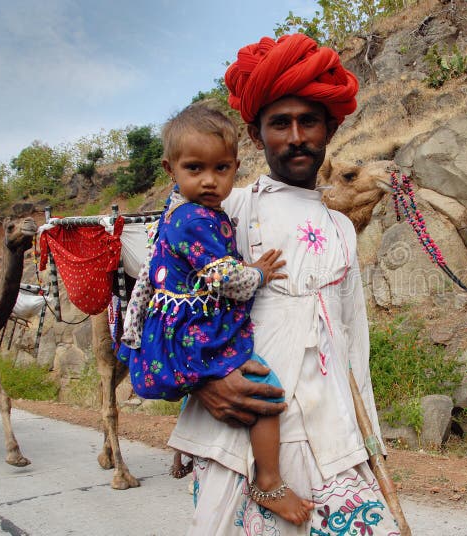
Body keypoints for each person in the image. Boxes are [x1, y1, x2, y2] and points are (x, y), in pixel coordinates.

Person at [167, 34, 401, 535]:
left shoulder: (340, 228)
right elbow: (166, 306)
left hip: (332, 431)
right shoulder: (224, 210)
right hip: (241, 426)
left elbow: (352, 339)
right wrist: (203, 383)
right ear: (256, 137)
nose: (296, 136)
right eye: (279, 123)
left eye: (309, 121)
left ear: (329, 130)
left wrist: (371, 440)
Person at [118, 103, 313, 524]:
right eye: (195, 168)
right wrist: (258, 274)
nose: (209, 180)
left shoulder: (182, 212)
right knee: (266, 392)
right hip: (196, 333)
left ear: (235, 167)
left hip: (181, 327)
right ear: (171, 169)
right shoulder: (195, 220)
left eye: (221, 168)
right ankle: (269, 481)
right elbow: (225, 279)